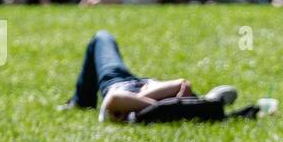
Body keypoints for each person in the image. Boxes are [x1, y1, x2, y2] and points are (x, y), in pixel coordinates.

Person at [58, 30, 247, 123]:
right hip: (139, 84)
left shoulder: (134, 111)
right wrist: (171, 101)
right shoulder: (171, 103)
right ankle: (211, 99)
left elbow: (115, 99)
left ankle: (81, 101)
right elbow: (183, 85)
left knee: (101, 37)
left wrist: (160, 105)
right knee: (101, 38)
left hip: (120, 82)